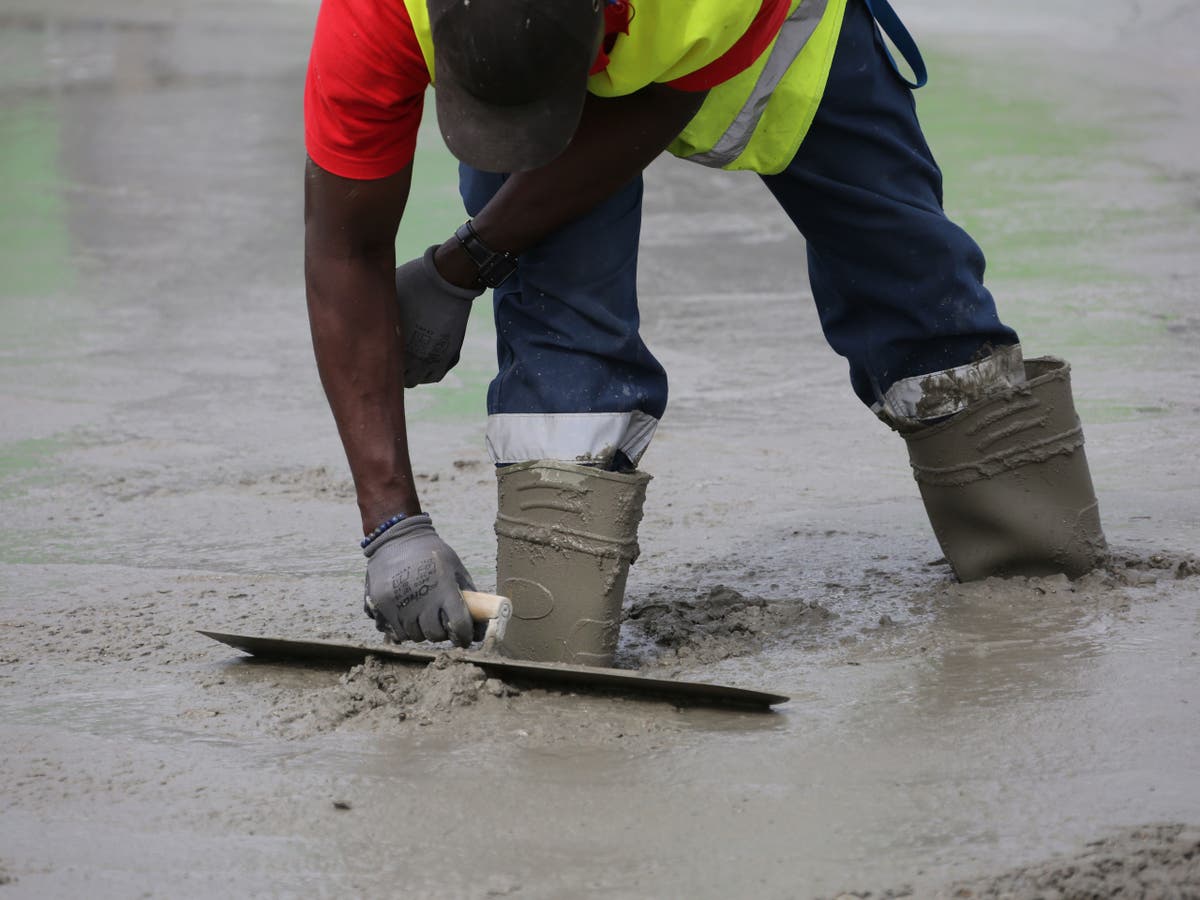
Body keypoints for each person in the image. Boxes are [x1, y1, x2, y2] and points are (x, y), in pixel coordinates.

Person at [303, 0, 1107, 664]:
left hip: (770, 34)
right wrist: (392, 527)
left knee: (914, 287)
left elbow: (653, 107)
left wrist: (471, 255)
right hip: (612, 39)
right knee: (561, 334)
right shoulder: (373, 15)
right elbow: (343, 245)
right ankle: (555, 635)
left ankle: (1036, 570)